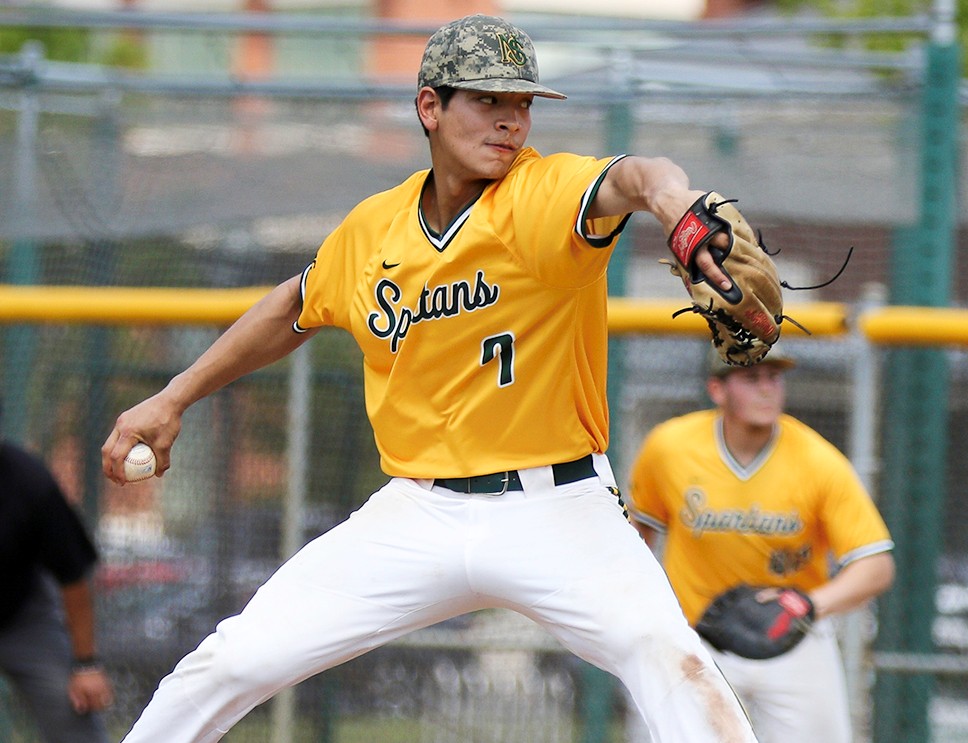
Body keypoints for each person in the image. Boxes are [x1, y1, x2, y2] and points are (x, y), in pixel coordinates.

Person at [100, 14, 761, 743]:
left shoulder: (540, 195)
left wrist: (675, 206)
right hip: (417, 514)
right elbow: (295, 302)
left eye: (521, 103)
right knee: (230, 661)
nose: (510, 120)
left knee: (669, 660)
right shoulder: (375, 229)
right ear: (429, 107)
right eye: (487, 100)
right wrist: (173, 395)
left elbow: (637, 175)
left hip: (559, 509)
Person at [627, 348, 896, 743]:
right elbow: (638, 536)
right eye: (752, 378)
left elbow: (876, 566)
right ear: (717, 389)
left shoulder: (818, 461)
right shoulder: (669, 448)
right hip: (701, 636)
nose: (767, 389)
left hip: (793, 638)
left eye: (774, 377)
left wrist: (808, 604)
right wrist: (649, 615)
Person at [1, 405, 115, 743]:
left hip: (21, 615)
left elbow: (73, 575)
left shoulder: (27, 480)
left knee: (71, 711)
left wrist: (86, 665)